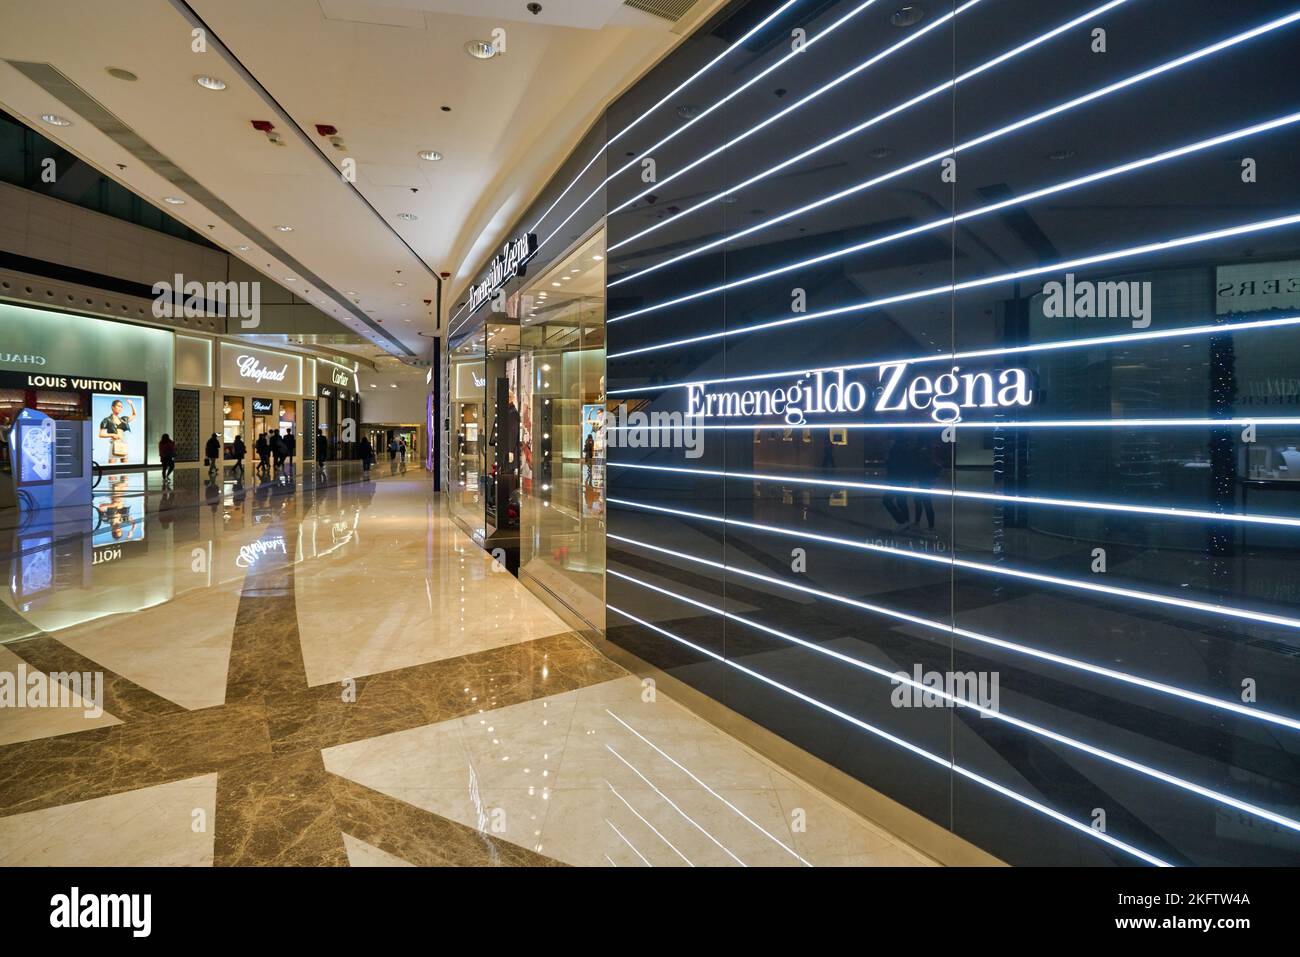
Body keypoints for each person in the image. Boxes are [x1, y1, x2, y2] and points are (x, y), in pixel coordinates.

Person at [98, 398, 138, 465]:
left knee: (125, 467)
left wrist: (131, 404)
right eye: (119, 406)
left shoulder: (123, 419)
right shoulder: (107, 419)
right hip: (114, 443)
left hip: (123, 443)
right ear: (113, 407)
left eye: (122, 407)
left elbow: (134, 414)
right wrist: (112, 435)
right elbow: (101, 434)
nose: (120, 408)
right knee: (112, 467)